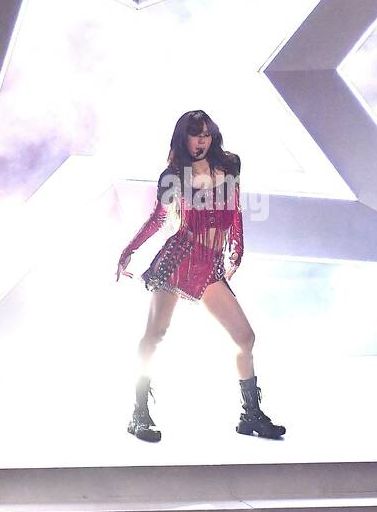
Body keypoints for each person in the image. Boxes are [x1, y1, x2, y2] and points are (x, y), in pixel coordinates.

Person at [116, 110, 285, 442]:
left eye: (206, 134)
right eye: (195, 134)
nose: (201, 140)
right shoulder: (174, 175)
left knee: (245, 338)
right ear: (184, 137)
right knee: (154, 336)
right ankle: (138, 413)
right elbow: (156, 219)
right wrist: (129, 249)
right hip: (178, 259)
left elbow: (234, 209)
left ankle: (250, 414)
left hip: (210, 266)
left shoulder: (230, 165)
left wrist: (238, 242)